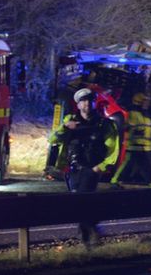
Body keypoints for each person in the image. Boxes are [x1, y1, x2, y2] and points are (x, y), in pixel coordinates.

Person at [50, 88, 119, 246]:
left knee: (81, 200)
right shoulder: (70, 121)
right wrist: (65, 127)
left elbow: (113, 149)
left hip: (91, 169)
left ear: (95, 103)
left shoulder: (104, 124)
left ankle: (88, 237)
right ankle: (90, 233)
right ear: (78, 104)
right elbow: (53, 139)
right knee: (80, 203)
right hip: (72, 169)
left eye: (90, 100)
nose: (87, 103)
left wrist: (101, 167)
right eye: (83, 101)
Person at [111, 92, 151, 188]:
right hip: (135, 145)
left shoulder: (145, 114)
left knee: (147, 165)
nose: (147, 103)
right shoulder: (133, 114)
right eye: (145, 101)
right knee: (132, 164)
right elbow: (134, 127)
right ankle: (115, 180)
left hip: (145, 146)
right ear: (139, 102)